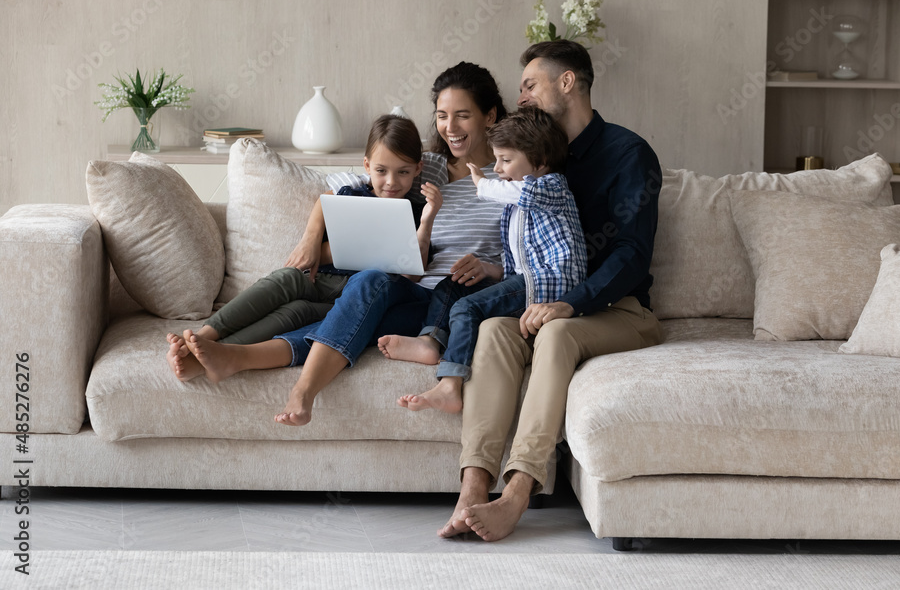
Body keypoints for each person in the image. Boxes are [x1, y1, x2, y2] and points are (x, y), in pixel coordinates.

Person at [178, 62, 510, 427]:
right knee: (360, 286)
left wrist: (490, 268)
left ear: (490, 115)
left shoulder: (509, 181)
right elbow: (341, 187)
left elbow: (527, 262)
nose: (450, 128)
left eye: (463, 115)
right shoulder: (424, 166)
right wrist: (311, 240)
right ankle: (224, 356)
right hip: (396, 284)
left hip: (440, 304)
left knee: (354, 306)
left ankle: (283, 381)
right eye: (443, 116)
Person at [438, 41, 663, 542]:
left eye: (529, 85)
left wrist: (570, 303)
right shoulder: (534, 154)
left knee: (558, 333)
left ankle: (517, 494)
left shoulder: (627, 153)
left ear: (567, 83)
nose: (521, 97)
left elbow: (631, 254)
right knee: (494, 330)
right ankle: (472, 488)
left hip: (619, 310)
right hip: (544, 300)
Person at [165, 115, 440, 383]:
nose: (391, 181)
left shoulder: (416, 213)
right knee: (287, 277)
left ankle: (214, 355)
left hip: (353, 297)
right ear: (367, 165)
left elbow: (413, 274)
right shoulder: (352, 194)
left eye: (403, 172)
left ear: (417, 169)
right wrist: (311, 240)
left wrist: (426, 222)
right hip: (323, 278)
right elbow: (325, 200)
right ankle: (203, 336)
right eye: (381, 171)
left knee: (297, 311)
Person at [379, 107, 587, 416]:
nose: (498, 169)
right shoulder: (514, 207)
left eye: (506, 160)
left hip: (549, 284)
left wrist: (481, 183)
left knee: (467, 308)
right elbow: (516, 257)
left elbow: (523, 191)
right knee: (452, 286)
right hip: (525, 280)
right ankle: (429, 340)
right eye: (497, 160)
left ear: (541, 161)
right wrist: (492, 270)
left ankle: (450, 385)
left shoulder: (552, 186)